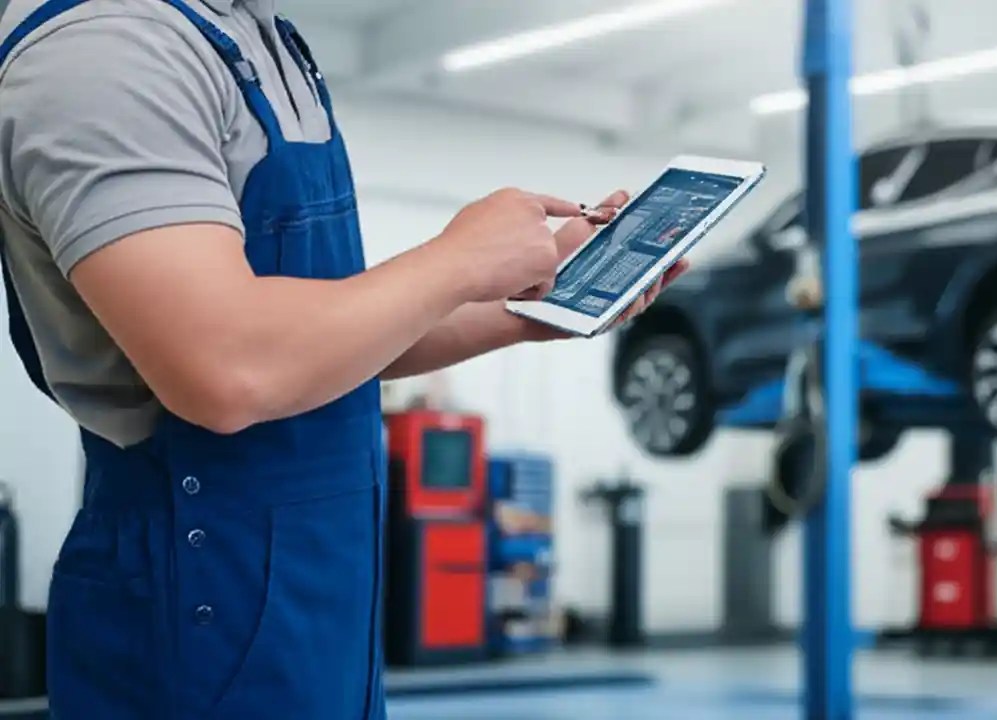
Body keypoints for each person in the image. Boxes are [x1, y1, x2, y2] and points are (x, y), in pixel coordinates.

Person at [0, 1, 686, 718]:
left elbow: (328, 336)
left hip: (320, 616)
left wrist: (534, 303)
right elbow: (228, 368)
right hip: (200, 611)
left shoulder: (258, 34)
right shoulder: (108, 49)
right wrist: (457, 261)